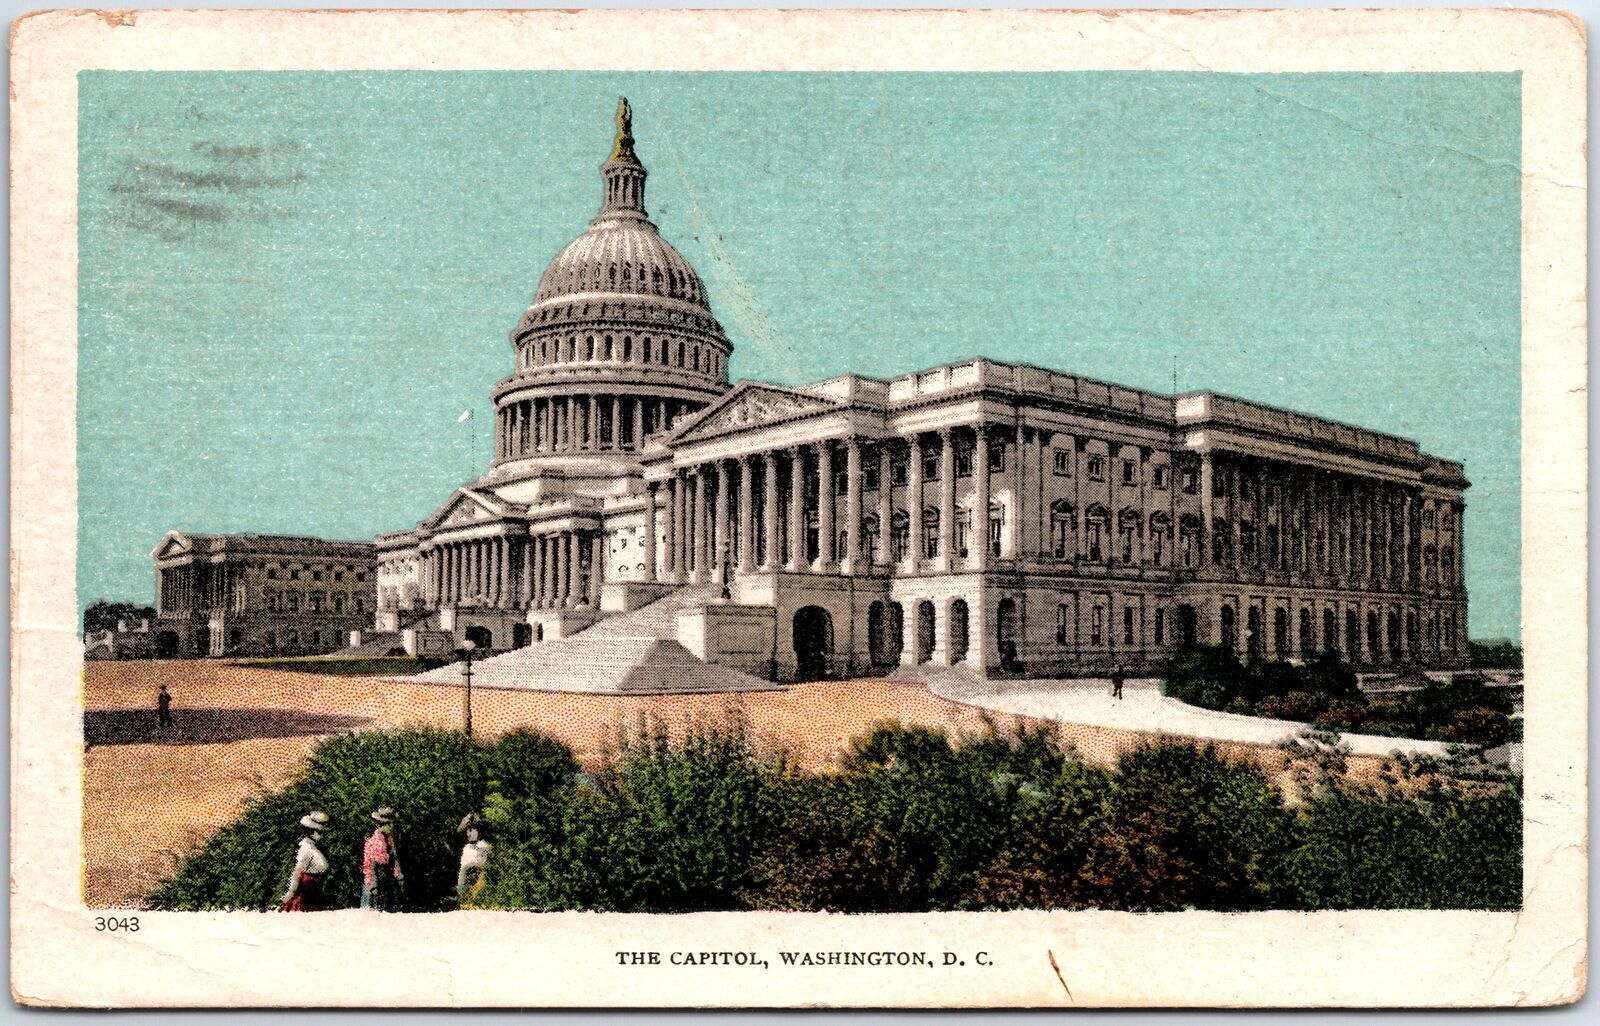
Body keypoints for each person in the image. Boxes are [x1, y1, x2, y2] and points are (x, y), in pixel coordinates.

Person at [281, 812, 330, 912]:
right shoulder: (306, 848)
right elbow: (297, 872)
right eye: (319, 832)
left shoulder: (313, 846)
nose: (321, 835)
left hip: (313, 892)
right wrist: (288, 896)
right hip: (304, 896)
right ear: (312, 832)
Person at [361, 807, 403, 911]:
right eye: (390, 824)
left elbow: (394, 858)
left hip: (386, 879)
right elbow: (380, 862)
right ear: (384, 824)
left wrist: (397, 874)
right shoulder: (375, 840)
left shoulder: (388, 838)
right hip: (376, 879)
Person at [456, 813, 492, 901]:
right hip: (471, 847)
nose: (468, 833)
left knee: (481, 871)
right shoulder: (466, 847)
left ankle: (476, 895)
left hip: (478, 846)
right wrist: (466, 819)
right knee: (463, 871)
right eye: (468, 830)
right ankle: (462, 895)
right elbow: (459, 830)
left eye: (471, 830)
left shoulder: (483, 844)